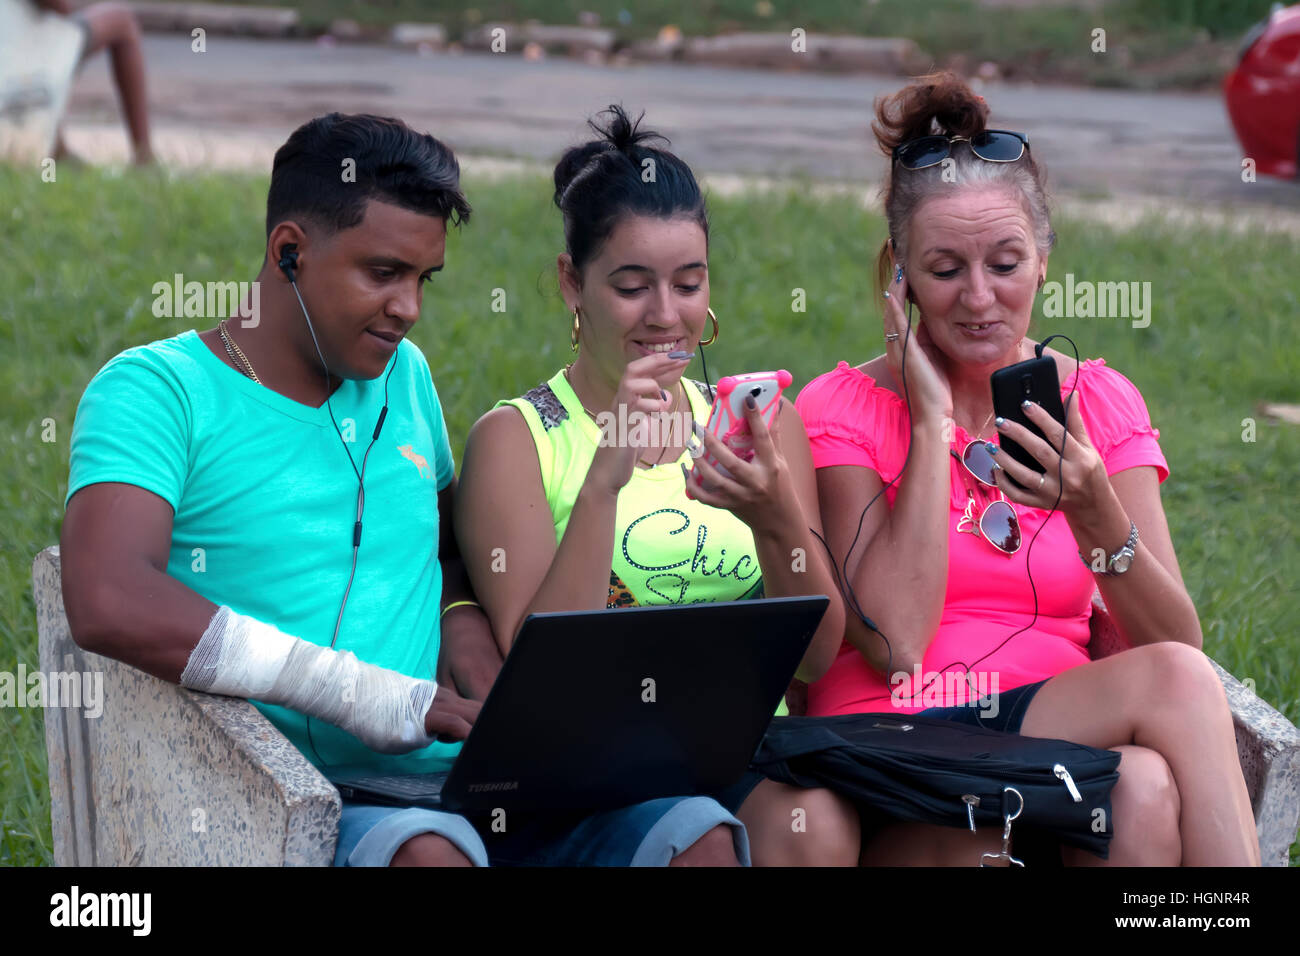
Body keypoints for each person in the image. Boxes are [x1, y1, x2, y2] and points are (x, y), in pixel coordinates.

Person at [796, 73, 1260, 866]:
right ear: (897, 275)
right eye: (945, 271)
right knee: (1154, 738)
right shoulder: (842, 408)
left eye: (1005, 263)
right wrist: (932, 418)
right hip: (897, 727)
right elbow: (895, 647)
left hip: (1044, 733)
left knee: (1148, 780)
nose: (980, 299)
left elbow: (1175, 646)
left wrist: (1094, 512)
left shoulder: (1099, 404)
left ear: (1044, 261)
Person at [60, 113, 502, 867]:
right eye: (384, 273)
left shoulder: (407, 376)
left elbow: (447, 546)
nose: (409, 309)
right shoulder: (158, 392)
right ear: (289, 252)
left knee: (695, 829)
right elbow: (107, 597)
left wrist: (462, 622)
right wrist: (362, 694)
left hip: (459, 784)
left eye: (423, 279)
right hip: (283, 800)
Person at [454, 106, 861, 866]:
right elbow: (539, 677)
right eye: (633, 287)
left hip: (742, 748)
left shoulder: (761, 429)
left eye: (689, 283)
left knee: (819, 827)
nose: (666, 316)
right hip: (592, 766)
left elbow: (813, 659)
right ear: (573, 285)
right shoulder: (519, 438)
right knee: (700, 838)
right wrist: (604, 482)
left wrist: (776, 518)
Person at [35, 1, 154, 165]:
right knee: (122, 20)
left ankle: (57, 148)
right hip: (24, 54)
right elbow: (60, 7)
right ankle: (145, 158)